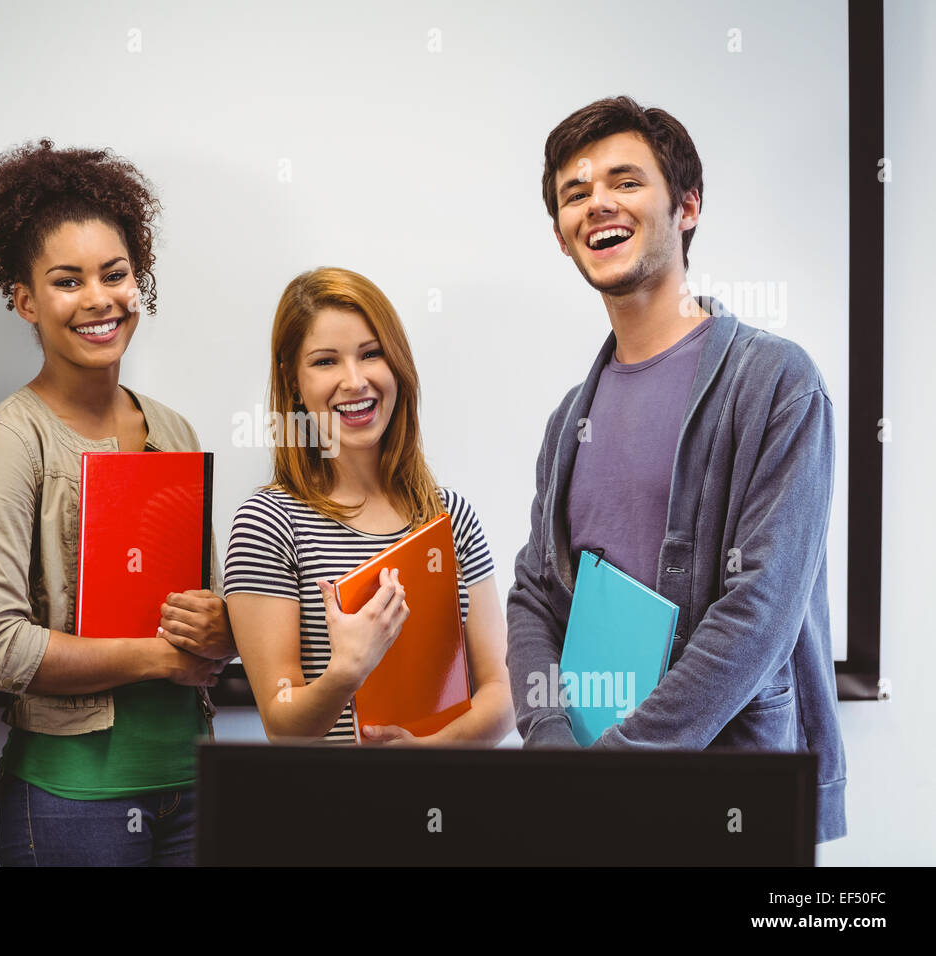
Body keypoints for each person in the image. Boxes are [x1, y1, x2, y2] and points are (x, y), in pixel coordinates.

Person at [507, 95, 846, 842]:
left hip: (725, 801)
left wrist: (618, 771)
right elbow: (534, 595)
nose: (597, 203)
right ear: (563, 237)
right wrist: (554, 742)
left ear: (687, 205)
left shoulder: (778, 384)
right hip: (595, 798)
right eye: (575, 193)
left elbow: (759, 612)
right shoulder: (570, 419)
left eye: (625, 181)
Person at [0, 141, 233, 867]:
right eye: (67, 281)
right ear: (25, 302)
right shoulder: (9, 441)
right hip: (71, 802)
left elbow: (202, 619)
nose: (99, 298)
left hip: (197, 786)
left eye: (115, 274)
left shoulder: (174, 431)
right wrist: (157, 659)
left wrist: (222, 626)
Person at [224, 267, 514, 745]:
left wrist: (427, 752)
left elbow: (501, 691)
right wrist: (348, 670)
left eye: (370, 354)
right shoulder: (268, 523)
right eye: (325, 362)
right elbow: (282, 726)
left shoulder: (451, 515)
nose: (354, 381)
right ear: (292, 381)